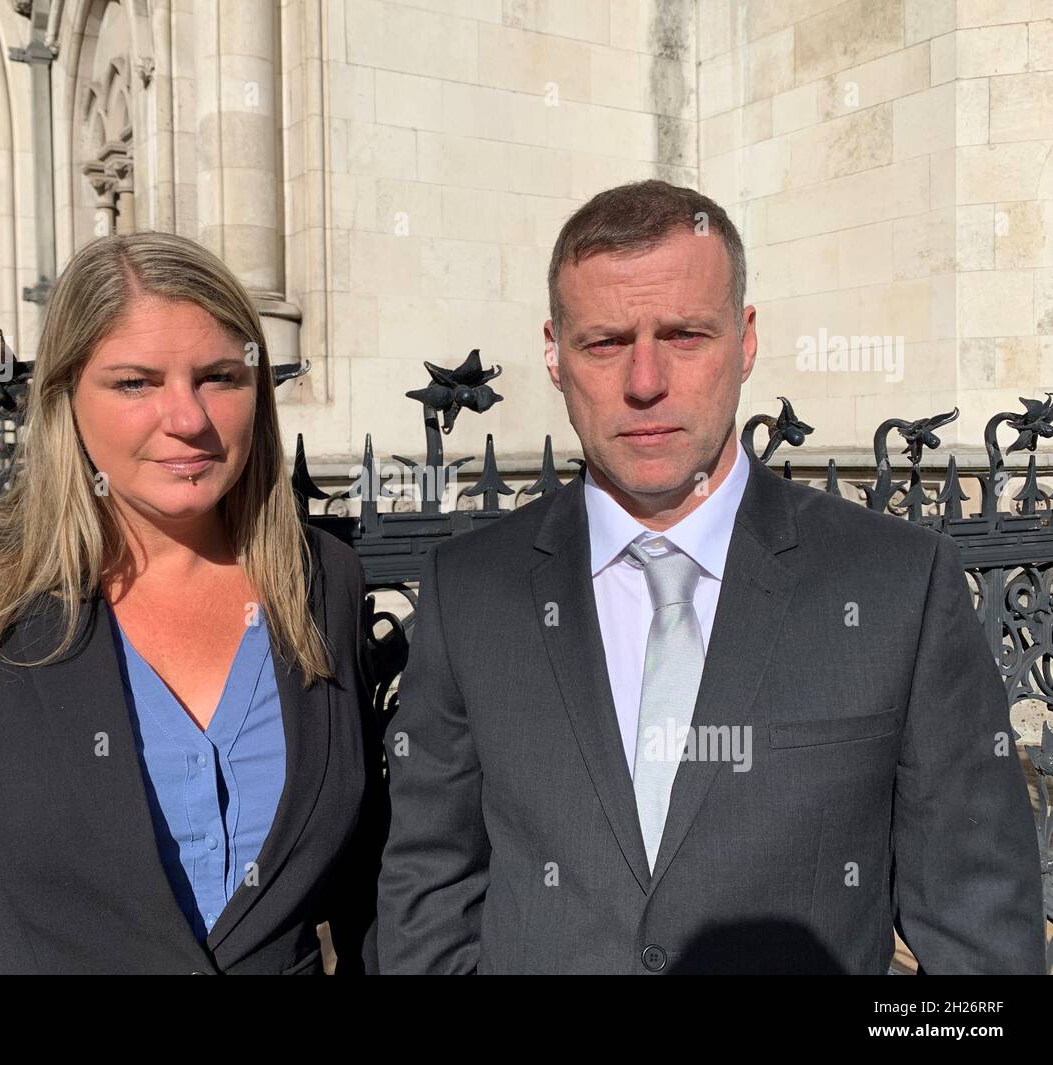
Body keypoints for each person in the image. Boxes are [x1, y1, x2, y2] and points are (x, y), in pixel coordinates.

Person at [376, 179, 1046, 974]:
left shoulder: (899, 584)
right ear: (554, 354)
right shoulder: (471, 591)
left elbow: (981, 933)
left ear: (746, 337)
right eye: (605, 342)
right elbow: (428, 894)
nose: (646, 381)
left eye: (685, 335)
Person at [0, 232, 385, 975]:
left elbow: (367, 892)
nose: (186, 417)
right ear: (66, 397)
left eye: (219, 376)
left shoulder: (322, 582)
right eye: (135, 383)